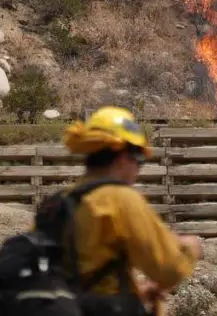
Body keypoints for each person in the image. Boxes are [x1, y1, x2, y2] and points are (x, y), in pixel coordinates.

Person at [59, 106, 204, 315]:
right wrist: (191, 248)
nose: (138, 170)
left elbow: (84, 276)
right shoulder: (120, 200)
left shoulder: (60, 202)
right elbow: (168, 268)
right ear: (123, 159)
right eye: (140, 161)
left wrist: (139, 292)